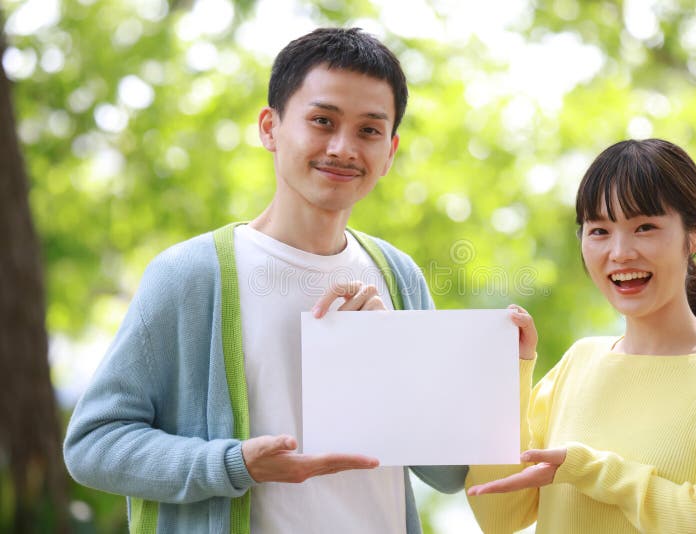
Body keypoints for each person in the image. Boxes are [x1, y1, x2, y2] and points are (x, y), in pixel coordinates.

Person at [64, 27, 466, 534]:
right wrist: (235, 464)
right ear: (270, 128)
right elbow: (92, 444)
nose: (343, 148)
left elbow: (449, 473)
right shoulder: (191, 275)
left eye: (369, 130)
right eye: (322, 121)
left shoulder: (398, 276)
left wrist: (390, 364)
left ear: (390, 151)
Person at [465, 138, 696, 533]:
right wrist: (504, 377)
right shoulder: (579, 362)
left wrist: (595, 471)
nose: (620, 252)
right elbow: (500, 516)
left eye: (644, 227)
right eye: (599, 231)